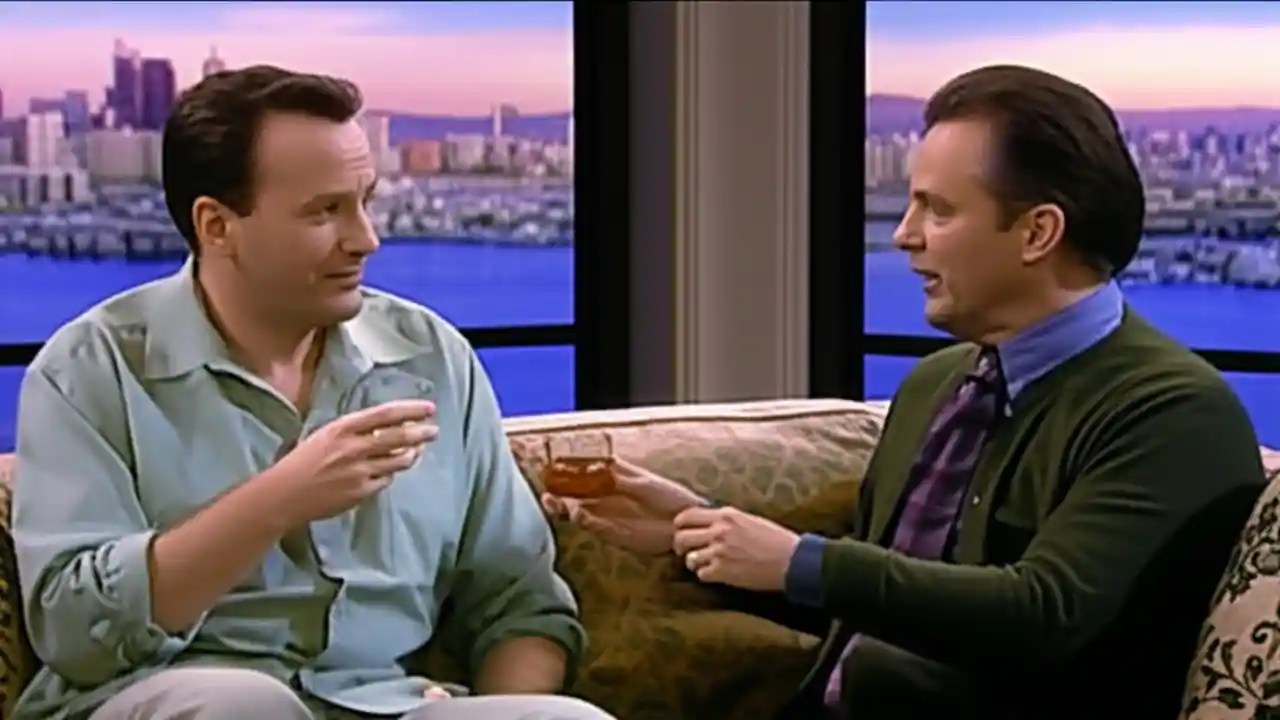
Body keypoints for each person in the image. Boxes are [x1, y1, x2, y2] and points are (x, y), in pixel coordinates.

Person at [543, 64, 1268, 718]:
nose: (904, 236)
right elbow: (872, 607)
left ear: (1038, 231)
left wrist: (802, 559)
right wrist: (696, 530)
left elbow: (1046, 615)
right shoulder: (938, 385)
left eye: (937, 210)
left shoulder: (1171, 413)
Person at [10, 65, 613, 720]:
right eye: (325, 211)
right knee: (243, 706)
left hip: (386, 706)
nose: (366, 239)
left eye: (366, 201)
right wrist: (280, 498)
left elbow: (520, 605)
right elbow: (74, 631)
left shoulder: (434, 359)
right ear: (216, 226)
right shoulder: (89, 371)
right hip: (172, 697)